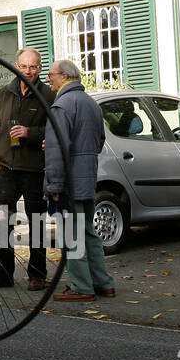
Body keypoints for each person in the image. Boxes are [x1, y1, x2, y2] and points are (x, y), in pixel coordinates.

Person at [0, 48, 55, 291]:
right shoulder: (5, 93)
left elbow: (56, 130)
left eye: (33, 67)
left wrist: (30, 133)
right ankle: (1, 274)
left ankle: (37, 275)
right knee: (2, 220)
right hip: (6, 167)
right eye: (23, 66)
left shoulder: (48, 95)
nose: (28, 71)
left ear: (40, 68)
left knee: (37, 222)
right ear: (16, 65)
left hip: (34, 168)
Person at [44, 59, 116, 301]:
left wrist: (54, 185)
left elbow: (57, 150)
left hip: (69, 181)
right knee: (89, 232)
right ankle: (104, 283)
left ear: (64, 76)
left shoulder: (62, 105)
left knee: (72, 235)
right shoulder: (91, 104)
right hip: (87, 177)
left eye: (51, 75)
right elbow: (98, 141)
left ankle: (81, 286)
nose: (48, 79)